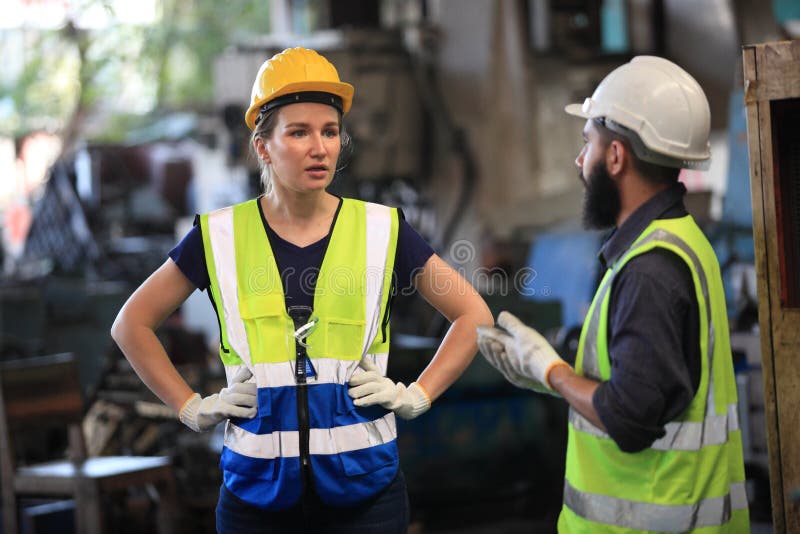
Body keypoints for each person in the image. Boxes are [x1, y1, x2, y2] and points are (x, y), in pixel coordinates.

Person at [111, 46, 492, 533]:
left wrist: (418, 394)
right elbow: (131, 325)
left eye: (330, 131)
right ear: (263, 146)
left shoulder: (382, 229)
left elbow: (474, 316)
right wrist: (190, 406)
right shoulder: (218, 236)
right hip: (256, 496)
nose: (320, 147)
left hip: (365, 495)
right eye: (299, 132)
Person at [477, 56, 750, 532]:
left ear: (617, 156)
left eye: (588, 143)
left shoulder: (650, 269)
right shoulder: (680, 240)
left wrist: (553, 373)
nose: (579, 160)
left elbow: (629, 418)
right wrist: (552, 366)